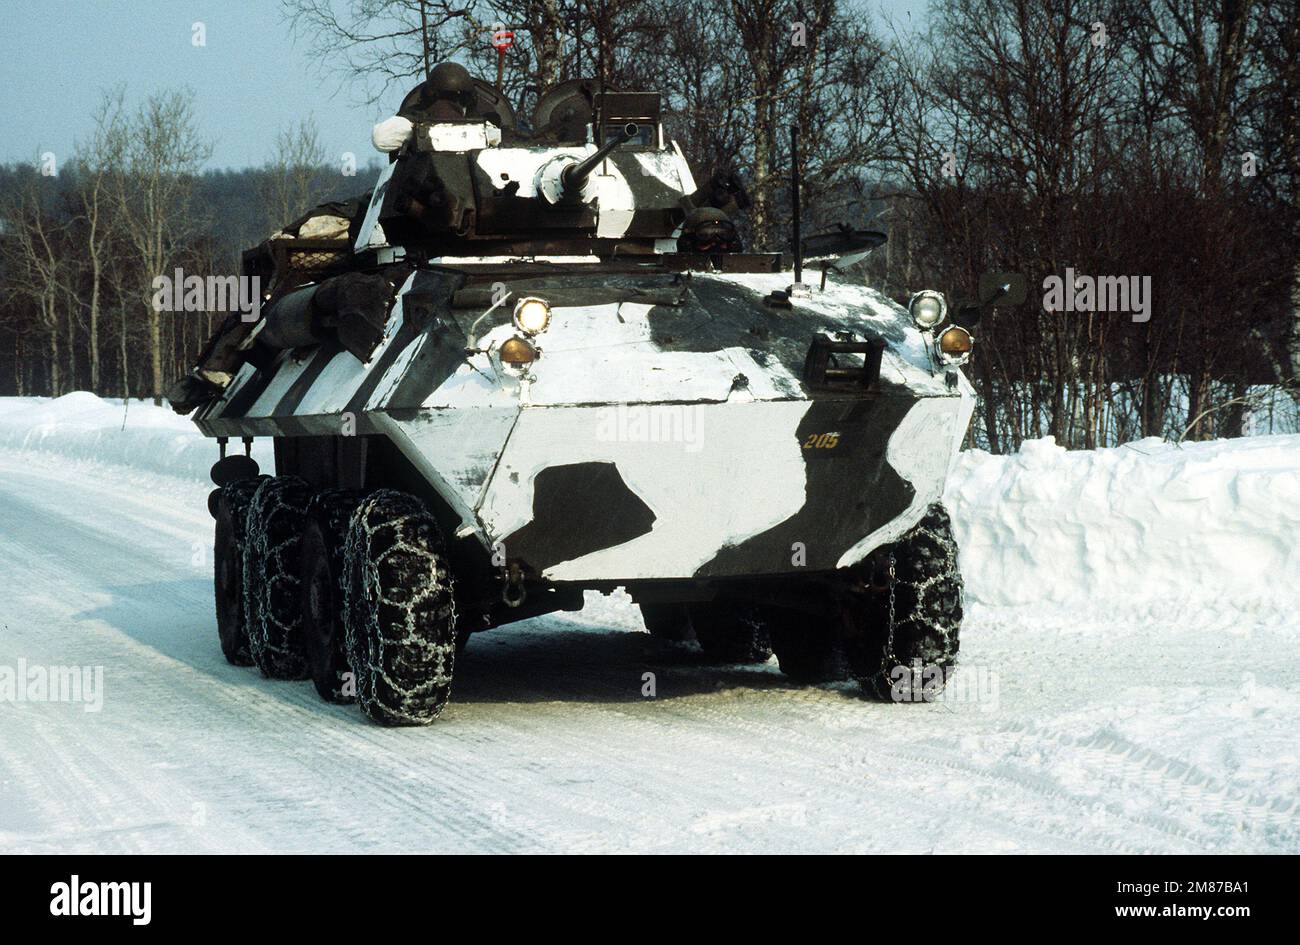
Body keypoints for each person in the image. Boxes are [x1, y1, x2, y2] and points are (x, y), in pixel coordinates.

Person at [372, 61, 478, 153]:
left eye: (453, 98)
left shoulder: (479, 125)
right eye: (443, 99)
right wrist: (420, 129)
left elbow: (494, 137)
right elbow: (381, 139)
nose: (445, 108)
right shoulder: (412, 120)